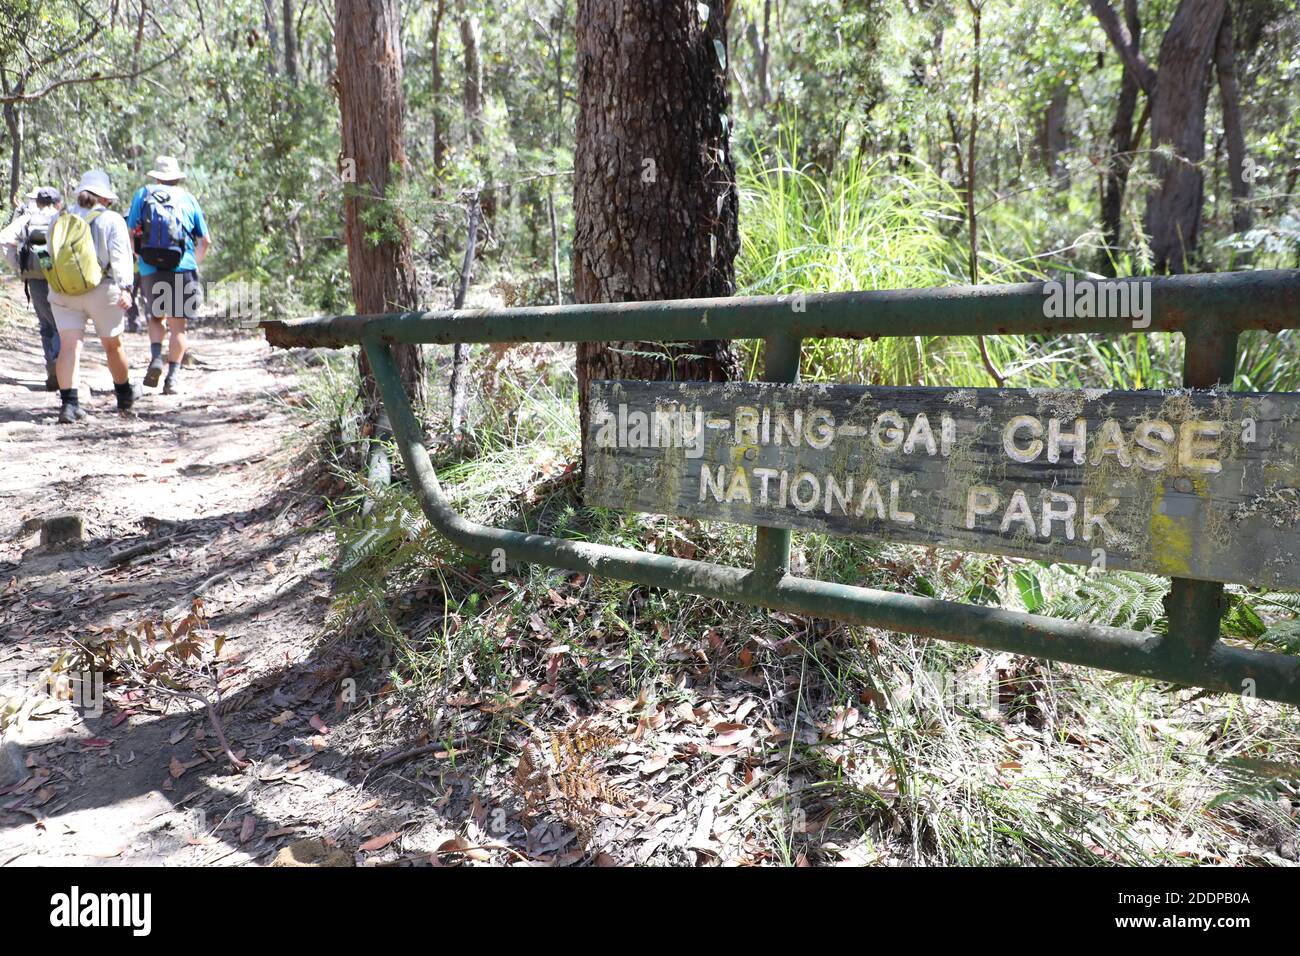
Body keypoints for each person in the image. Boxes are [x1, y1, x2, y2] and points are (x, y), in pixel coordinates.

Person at [45, 170, 139, 424]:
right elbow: (121, 257)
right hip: (102, 289)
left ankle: (69, 405)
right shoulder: (112, 219)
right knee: (112, 345)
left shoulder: (60, 217)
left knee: (69, 346)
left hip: (64, 292)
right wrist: (126, 288)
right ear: (104, 197)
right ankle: (124, 396)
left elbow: (47, 253)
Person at [126, 156, 211, 395]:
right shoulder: (188, 198)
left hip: (150, 267)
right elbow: (205, 241)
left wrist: (141, 257)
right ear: (176, 178)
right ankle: (172, 378)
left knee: (156, 317)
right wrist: (192, 263)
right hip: (182, 267)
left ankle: (155, 358)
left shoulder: (143, 194)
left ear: (156, 176)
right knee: (178, 327)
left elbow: (131, 231)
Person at [0, 186, 64, 390]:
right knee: (60, 325)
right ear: (57, 203)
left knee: (45, 324)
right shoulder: (62, 219)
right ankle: (59, 366)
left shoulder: (27, 219)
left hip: (35, 278)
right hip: (59, 278)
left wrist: (19, 265)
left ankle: (51, 366)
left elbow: (3, 240)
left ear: (37, 202)